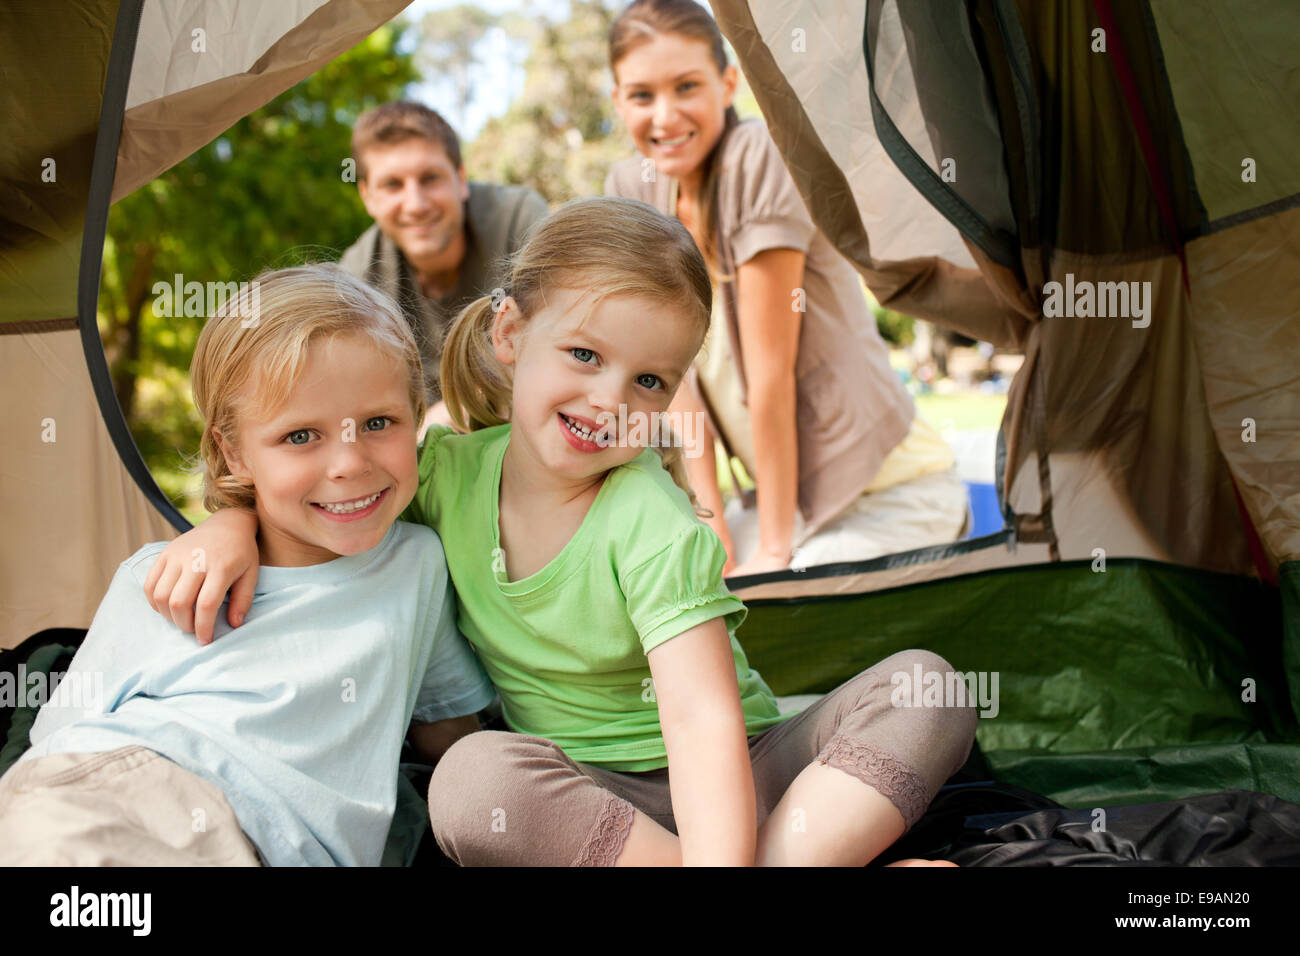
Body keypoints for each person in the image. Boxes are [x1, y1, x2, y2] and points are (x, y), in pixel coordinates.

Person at [142, 198, 977, 867]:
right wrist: (230, 521)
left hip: (745, 770)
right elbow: (337, 490)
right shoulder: (446, 473)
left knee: (929, 688)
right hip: (590, 805)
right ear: (510, 335)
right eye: (584, 355)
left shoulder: (647, 518)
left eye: (648, 379)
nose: (610, 400)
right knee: (468, 782)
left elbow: (699, 724)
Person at [0, 266, 495, 866]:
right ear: (233, 452)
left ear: (416, 418)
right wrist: (231, 520)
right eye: (300, 436)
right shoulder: (167, 577)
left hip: (275, 846)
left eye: (377, 423)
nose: (349, 463)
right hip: (128, 790)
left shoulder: (419, 564)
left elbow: (448, 729)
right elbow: (57, 738)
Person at [605, 0, 969, 577]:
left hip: (891, 494)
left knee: (772, 605)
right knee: (671, 578)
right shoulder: (636, 191)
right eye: (643, 95)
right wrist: (713, 529)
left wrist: (774, 554)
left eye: (687, 86)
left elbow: (770, 377)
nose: (666, 115)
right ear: (618, 102)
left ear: (727, 84)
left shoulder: (757, 157)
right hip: (797, 508)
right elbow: (677, 390)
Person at [340, 101, 550, 429]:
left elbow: (560, 345)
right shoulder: (357, 278)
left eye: (430, 178)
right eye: (393, 185)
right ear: (368, 196)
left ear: (461, 179)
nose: (416, 204)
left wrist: (450, 415)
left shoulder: (518, 221)